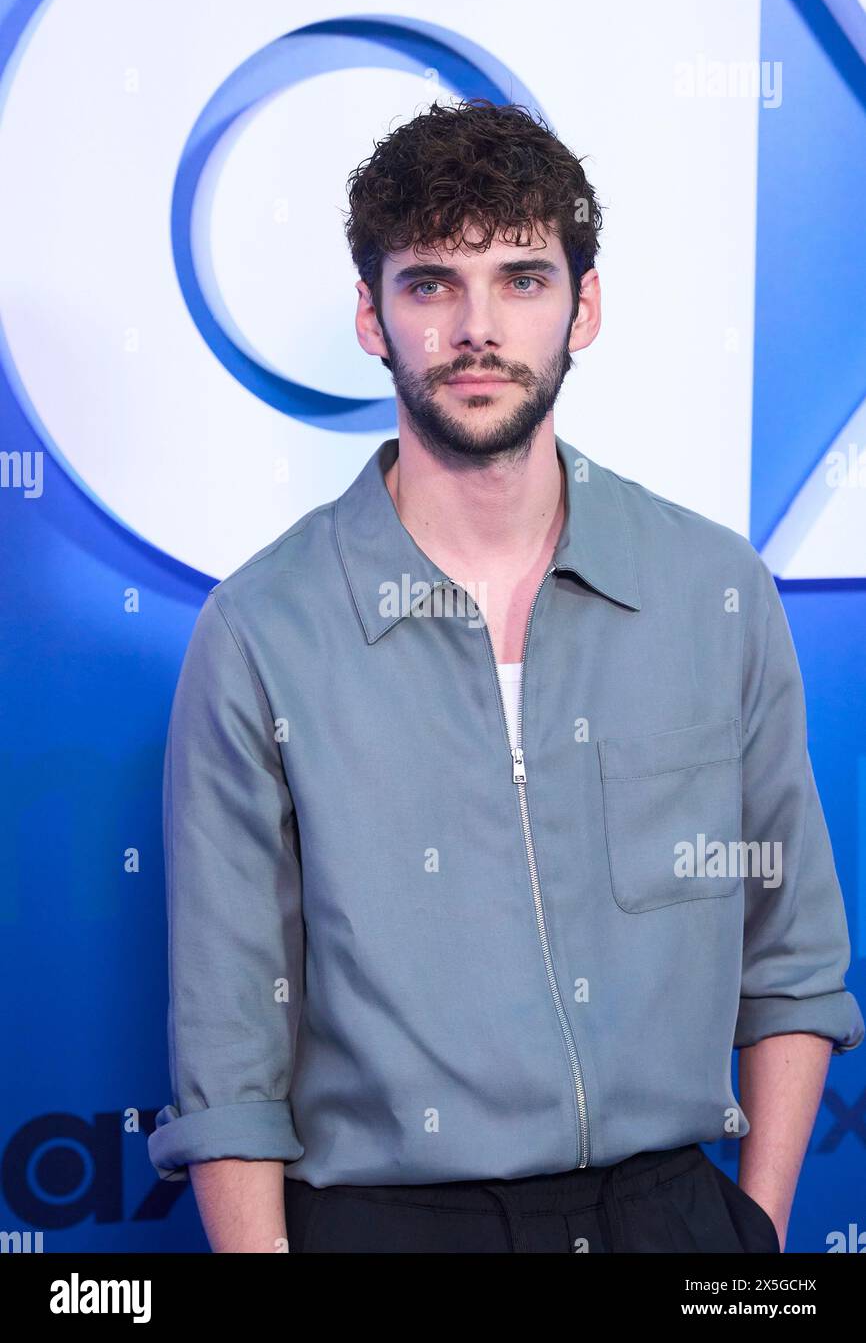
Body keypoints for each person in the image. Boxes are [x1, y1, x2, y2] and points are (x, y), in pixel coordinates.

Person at [148, 99, 864, 1253]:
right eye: (431, 283)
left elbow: (790, 958)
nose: (476, 327)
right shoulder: (260, 630)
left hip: (672, 1219)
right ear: (372, 319)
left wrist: (757, 1234)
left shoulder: (711, 587)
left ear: (582, 308)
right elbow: (230, 1052)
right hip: (389, 1225)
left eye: (521, 278)